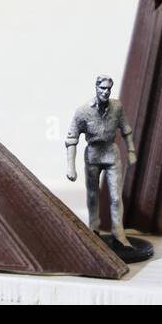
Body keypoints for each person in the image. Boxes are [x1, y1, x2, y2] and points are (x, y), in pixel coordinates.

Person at [65, 75, 136, 248]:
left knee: (116, 197)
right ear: (96, 88)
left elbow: (126, 129)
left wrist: (131, 150)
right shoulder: (83, 111)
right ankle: (94, 228)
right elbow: (71, 139)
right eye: (102, 88)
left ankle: (118, 233)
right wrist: (70, 167)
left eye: (108, 89)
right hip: (93, 155)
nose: (105, 92)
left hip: (112, 154)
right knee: (92, 194)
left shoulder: (117, 107)